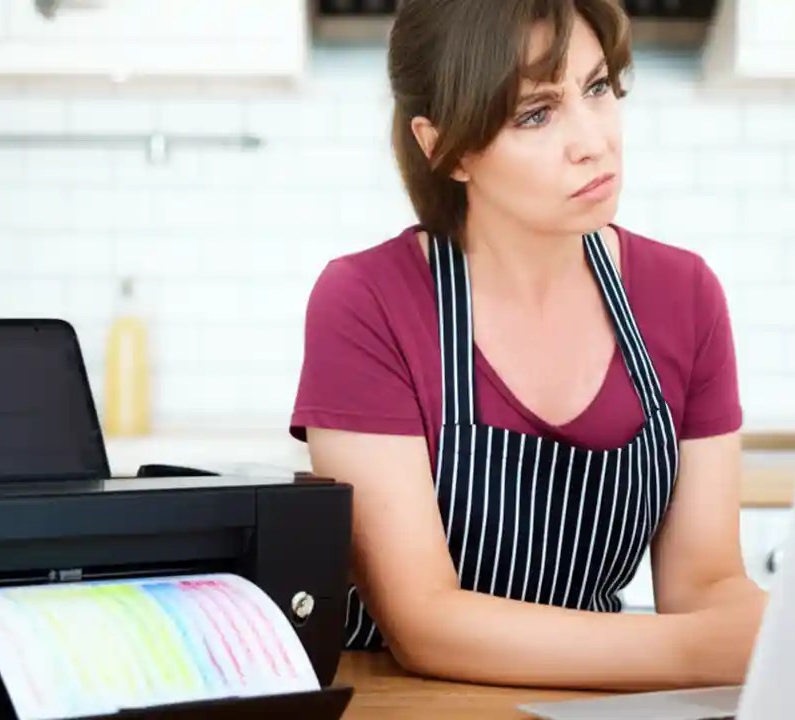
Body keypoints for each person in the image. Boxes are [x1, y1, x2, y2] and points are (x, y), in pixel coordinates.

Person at [290, 0, 766, 692]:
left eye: (597, 88)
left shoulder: (684, 294)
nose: (593, 140)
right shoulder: (367, 302)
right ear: (443, 146)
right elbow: (422, 620)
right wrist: (699, 653)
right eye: (536, 114)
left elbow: (706, 583)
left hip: (607, 706)